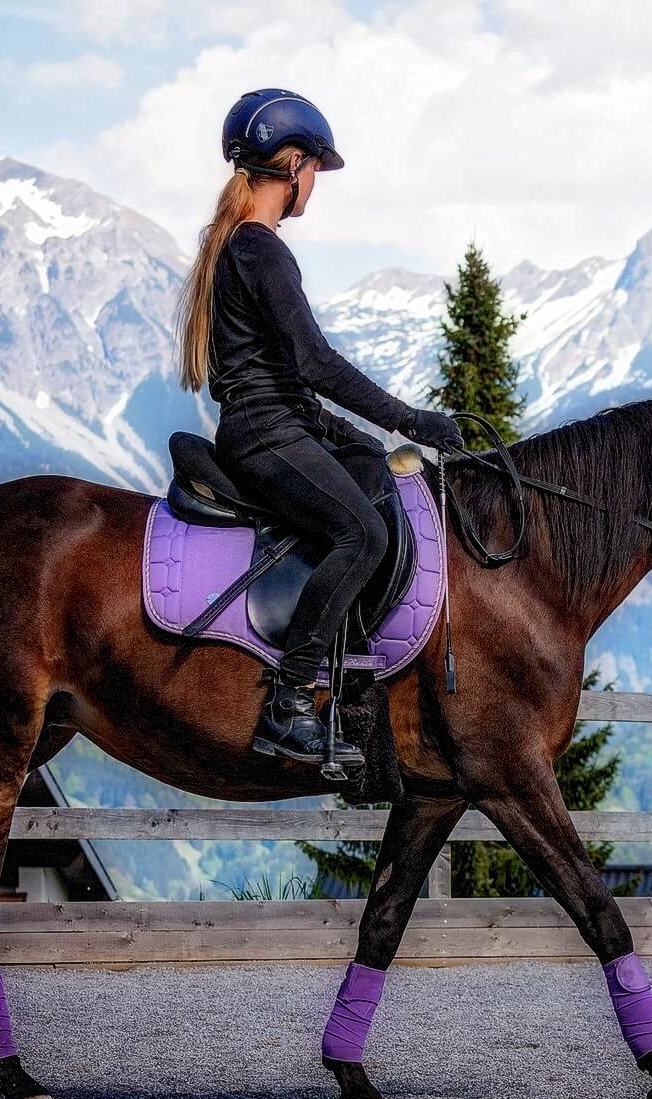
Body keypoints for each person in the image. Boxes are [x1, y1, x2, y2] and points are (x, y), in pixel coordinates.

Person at [175, 88, 464, 768]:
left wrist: (358, 440)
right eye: (314, 174)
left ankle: (358, 694)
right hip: (264, 437)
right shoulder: (262, 250)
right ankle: (290, 698)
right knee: (359, 532)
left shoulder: (239, 245)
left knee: (371, 479)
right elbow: (313, 363)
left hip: (279, 424)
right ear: (296, 166)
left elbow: (286, 376)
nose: (314, 189)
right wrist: (409, 420)